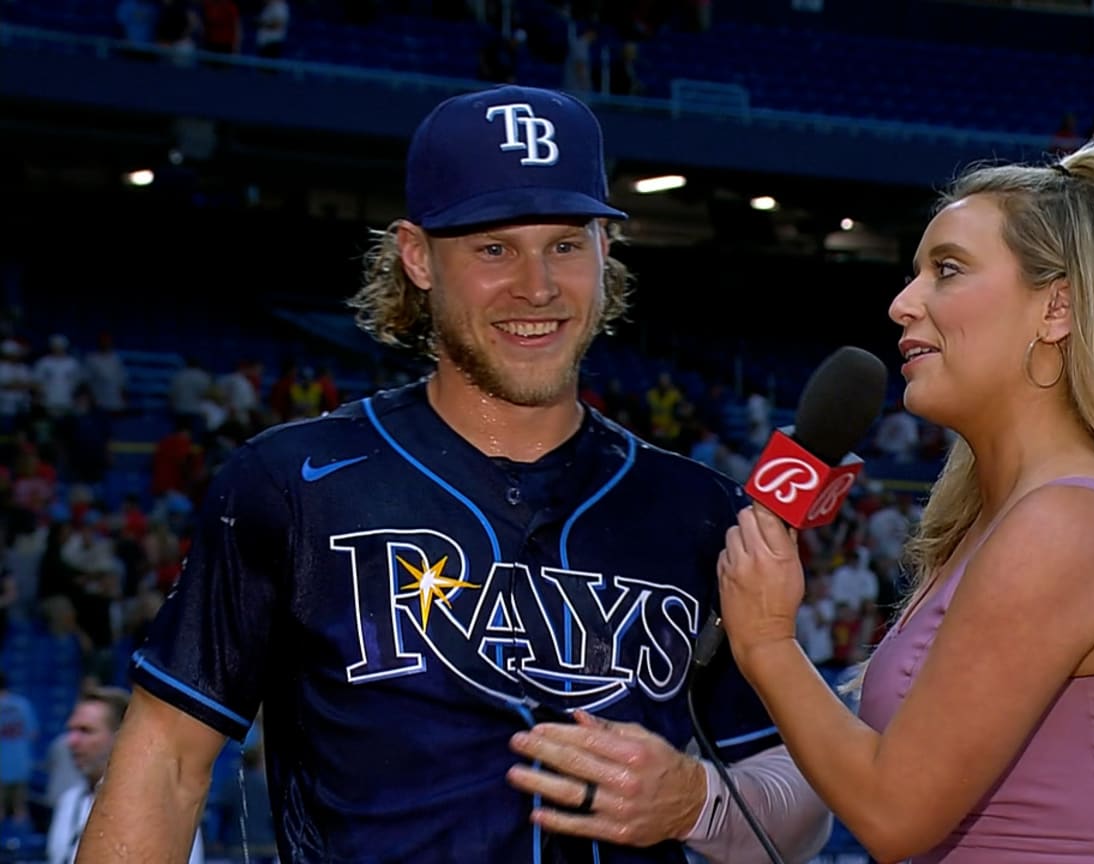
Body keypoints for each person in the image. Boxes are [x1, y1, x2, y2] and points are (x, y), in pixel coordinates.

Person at [77, 84, 829, 864]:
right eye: (494, 248)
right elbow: (166, 763)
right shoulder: (294, 484)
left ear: (609, 249)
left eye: (565, 244)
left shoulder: (698, 512)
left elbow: (798, 815)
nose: (536, 287)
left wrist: (695, 803)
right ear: (417, 255)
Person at [716, 137, 1094, 862]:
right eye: (915, 275)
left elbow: (893, 812)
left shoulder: (1065, 524)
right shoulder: (1003, 521)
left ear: (1056, 307)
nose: (903, 304)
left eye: (948, 271)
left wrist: (767, 642)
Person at [49, 686, 205, 864]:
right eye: (71, 730)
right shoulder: (69, 801)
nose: (72, 741)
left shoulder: (165, 807)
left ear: (120, 736)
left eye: (86, 731)